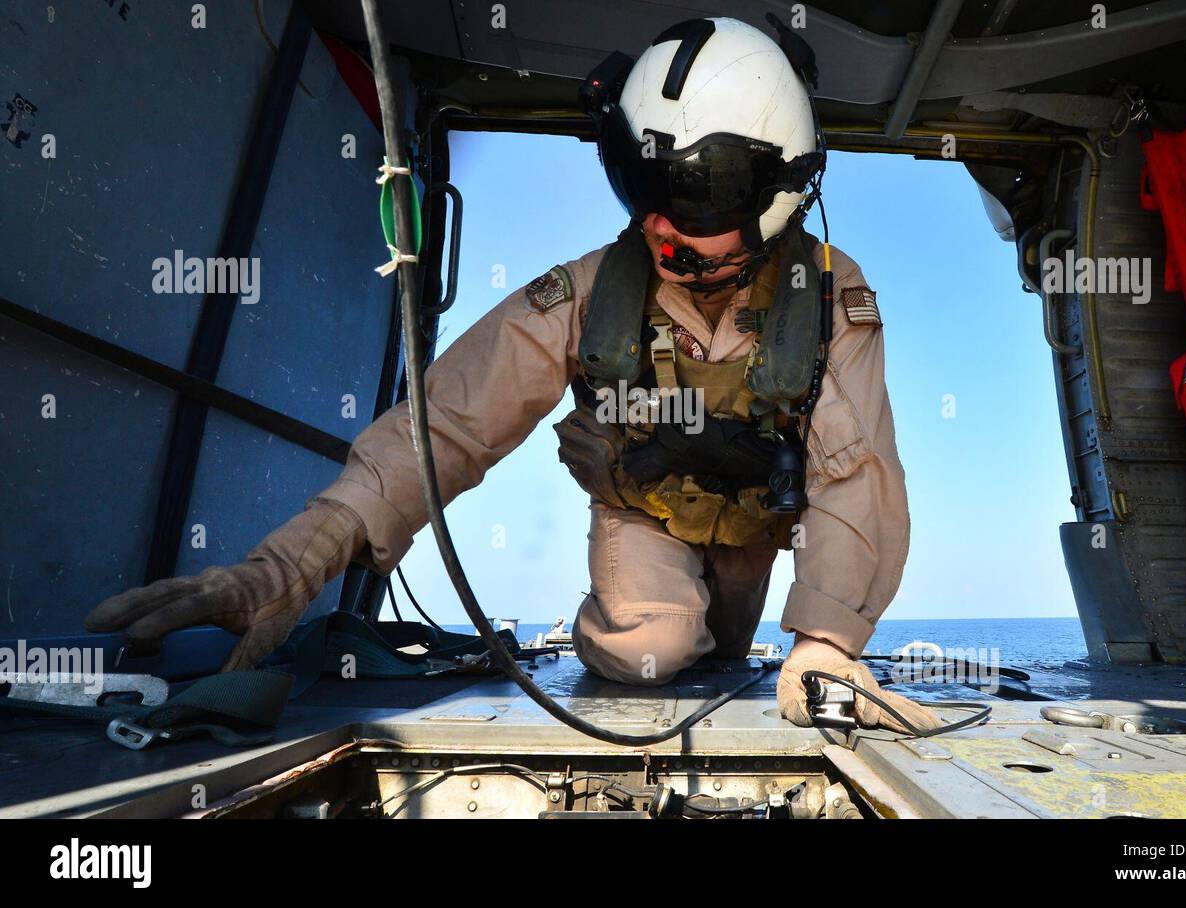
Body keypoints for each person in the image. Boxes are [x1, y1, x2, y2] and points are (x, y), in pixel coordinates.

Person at [85, 16, 940, 733]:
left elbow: (854, 470)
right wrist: (288, 566)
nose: (659, 225)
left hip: (755, 535)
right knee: (653, 651)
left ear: (778, 190)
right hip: (642, 513)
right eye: (640, 182)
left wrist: (827, 640)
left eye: (698, 192)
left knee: (730, 652)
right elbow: (446, 424)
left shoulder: (829, 294)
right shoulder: (592, 292)